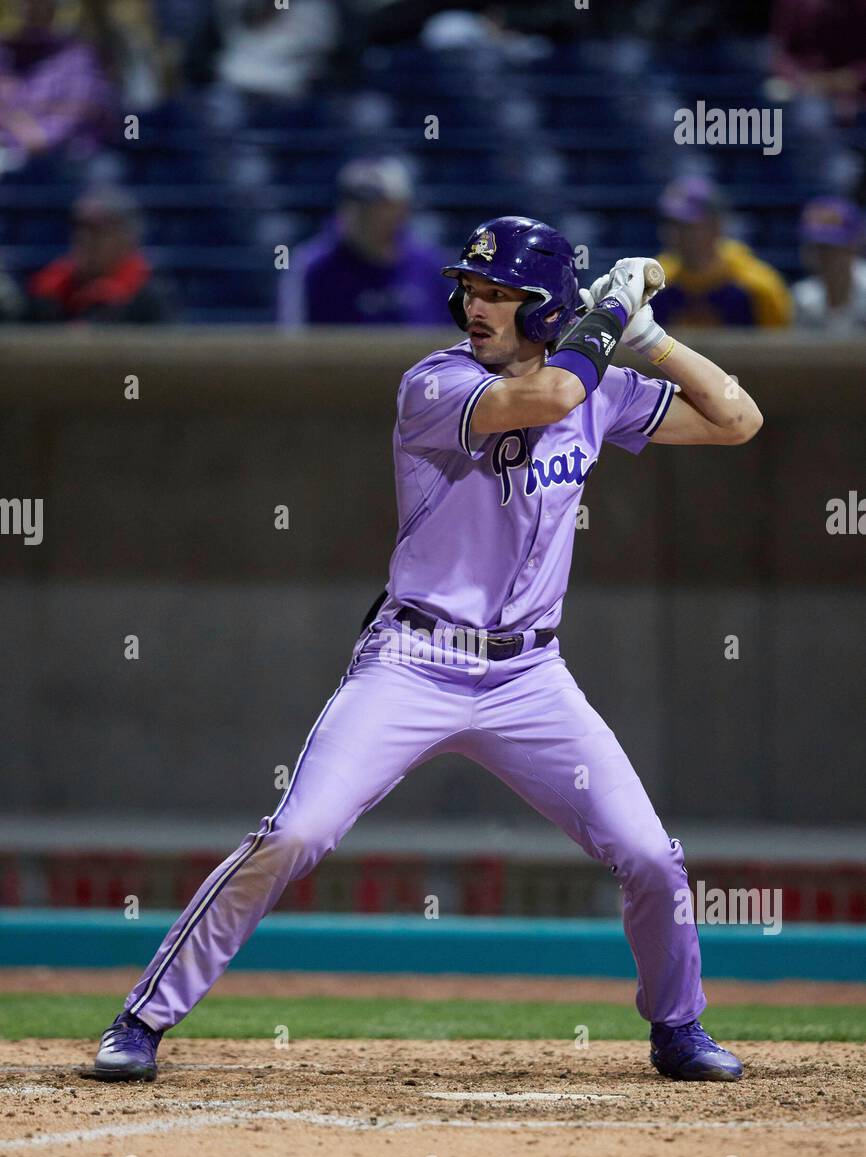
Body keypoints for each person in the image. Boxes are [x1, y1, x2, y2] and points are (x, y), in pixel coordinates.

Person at [90, 216, 762, 1086]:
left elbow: (738, 419)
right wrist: (603, 324)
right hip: (413, 662)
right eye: (472, 288)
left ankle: (679, 1028)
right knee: (297, 831)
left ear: (547, 307)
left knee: (648, 855)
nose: (476, 305)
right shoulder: (436, 383)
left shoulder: (602, 388)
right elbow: (550, 398)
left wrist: (649, 338)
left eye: (501, 293)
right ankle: (143, 1017)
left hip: (528, 677)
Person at [277, 156, 452, 327]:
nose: (361, 215)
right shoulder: (314, 267)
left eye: (375, 205)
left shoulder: (431, 267)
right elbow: (292, 341)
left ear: (402, 208)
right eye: (353, 203)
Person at [651, 176, 793, 328]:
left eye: (686, 226)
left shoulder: (759, 288)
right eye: (670, 224)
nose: (674, 234)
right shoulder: (650, 286)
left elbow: (779, 348)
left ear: (716, 226)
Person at [26, 188, 172, 323]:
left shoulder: (149, 296)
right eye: (79, 229)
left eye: (98, 232)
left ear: (127, 238)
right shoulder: (50, 290)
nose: (85, 239)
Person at [0, 0, 115, 169]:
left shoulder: (79, 56)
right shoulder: (5, 53)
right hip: (8, 158)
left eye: (42, 4)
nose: (34, 10)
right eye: (28, 3)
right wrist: (16, 124)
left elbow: (81, 111)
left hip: (69, 166)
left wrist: (40, 134)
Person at [792, 197, 866, 332]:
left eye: (828, 246)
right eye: (813, 246)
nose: (819, 255)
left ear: (852, 246)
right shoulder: (803, 298)